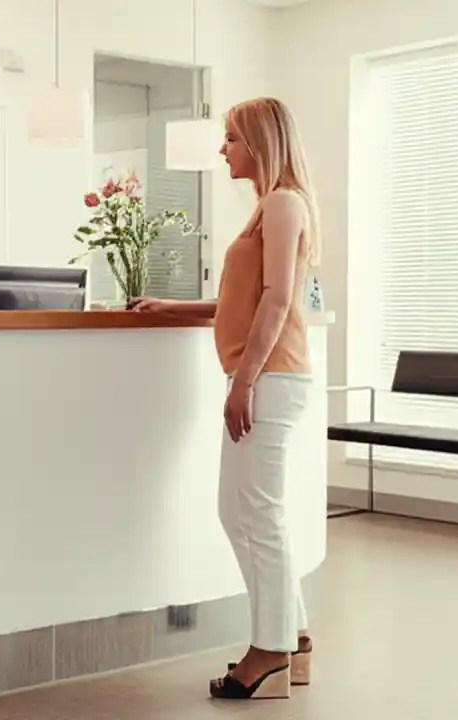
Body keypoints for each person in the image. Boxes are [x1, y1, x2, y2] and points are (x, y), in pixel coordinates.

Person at [131, 97, 320, 701]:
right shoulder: (268, 208)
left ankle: (269, 652)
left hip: (270, 378)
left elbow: (279, 299)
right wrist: (172, 306)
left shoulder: (285, 203)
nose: (223, 150)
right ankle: (294, 637)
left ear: (261, 144)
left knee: (250, 514)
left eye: (231, 138)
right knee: (254, 513)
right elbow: (243, 300)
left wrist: (243, 382)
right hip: (265, 376)